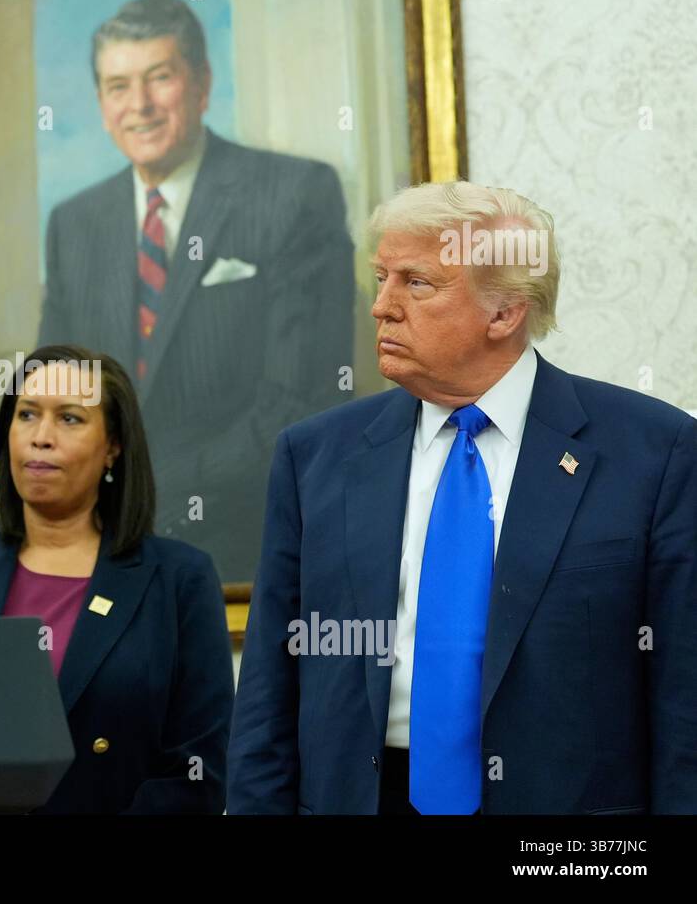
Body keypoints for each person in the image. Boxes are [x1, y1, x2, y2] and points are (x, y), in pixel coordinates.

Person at [227, 181, 697, 814]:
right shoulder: (316, 457)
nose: (381, 306)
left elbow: (684, 698)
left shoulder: (655, 452)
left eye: (416, 283)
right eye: (381, 277)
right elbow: (269, 684)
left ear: (504, 312)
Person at [38, 0, 353, 584]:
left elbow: (302, 402)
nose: (140, 106)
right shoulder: (73, 223)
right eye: (118, 86)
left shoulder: (293, 195)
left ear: (202, 85)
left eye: (160, 78)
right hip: (103, 555)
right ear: (102, 105)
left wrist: (142, 486)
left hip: (253, 550)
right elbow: (53, 395)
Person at [0, 345, 234, 813]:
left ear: (113, 446)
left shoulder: (179, 579)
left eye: (69, 419)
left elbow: (201, 769)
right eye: (27, 415)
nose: (41, 437)